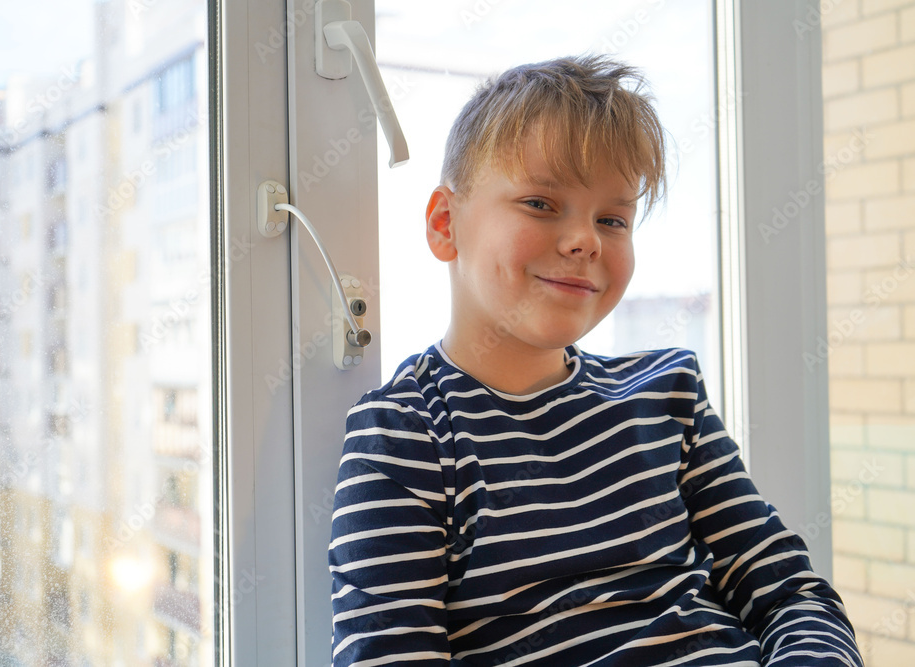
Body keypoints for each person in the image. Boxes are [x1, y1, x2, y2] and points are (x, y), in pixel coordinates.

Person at [327, 54, 861, 666]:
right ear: (447, 223)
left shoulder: (669, 398)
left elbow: (788, 590)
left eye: (613, 218)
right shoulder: (404, 437)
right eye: (540, 203)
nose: (586, 240)